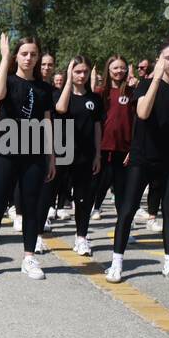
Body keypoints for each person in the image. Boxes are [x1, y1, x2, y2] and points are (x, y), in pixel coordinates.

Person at [106, 40, 169, 285]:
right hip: (143, 156)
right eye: (168, 57)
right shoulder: (146, 84)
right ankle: (116, 262)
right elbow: (143, 113)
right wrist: (156, 80)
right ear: (160, 60)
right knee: (127, 210)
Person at [0, 34, 55, 280]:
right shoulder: (10, 80)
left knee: (31, 208)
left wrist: (51, 157)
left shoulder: (44, 88)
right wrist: (4, 57)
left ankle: (29, 258)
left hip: (33, 155)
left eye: (33, 54)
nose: (29, 58)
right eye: (24, 53)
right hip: (6, 153)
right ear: (17, 56)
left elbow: (46, 123)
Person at [52, 56, 105, 256]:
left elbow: (98, 127)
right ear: (70, 72)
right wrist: (68, 82)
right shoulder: (58, 94)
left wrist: (98, 154)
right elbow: (61, 108)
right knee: (49, 194)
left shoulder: (95, 99)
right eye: (77, 71)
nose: (81, 75)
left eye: (85, 71)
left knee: (84, 198)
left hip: (85, 155)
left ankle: (81, 237)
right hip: (61, 153)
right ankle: (38, 235)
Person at [95, 55, 134, 220]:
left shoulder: (132, 92)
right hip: (102, 148)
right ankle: (93, 210)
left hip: (124, 149)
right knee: (98, 185)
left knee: (121, 189)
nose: (119, 71)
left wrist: (133, 148)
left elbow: (136, 121)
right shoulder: (99, 92)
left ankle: (123, 225)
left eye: (122, 68)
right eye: (116, 68)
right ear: (108, 70)